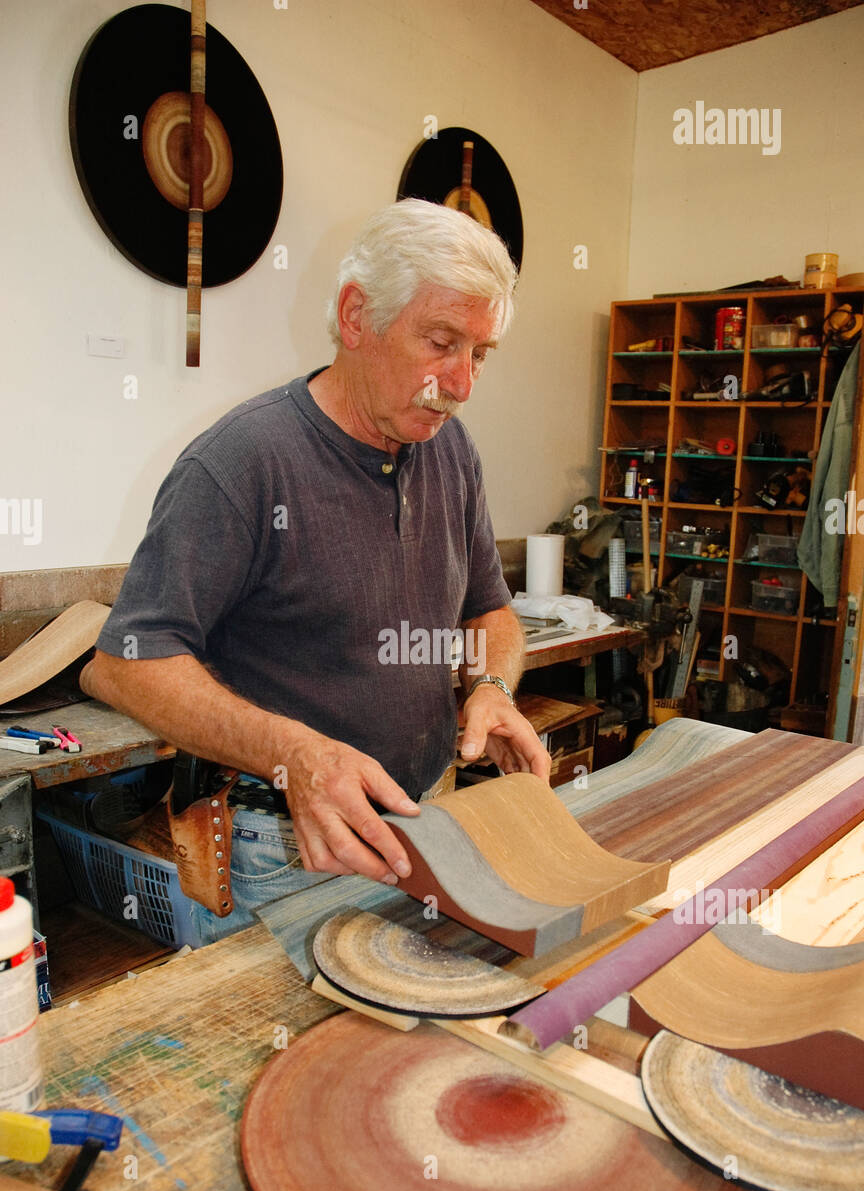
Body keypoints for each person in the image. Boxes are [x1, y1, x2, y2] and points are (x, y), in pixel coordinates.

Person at [82, 199, 550, 939]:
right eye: (441, 342)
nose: (462, 384)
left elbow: (487, 611)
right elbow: (124, 663)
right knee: (289, 1055)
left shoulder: (451, 452)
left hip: (431, 812)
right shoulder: (242, 462)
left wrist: (491, 687)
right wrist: (294, 754)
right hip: (286, 848)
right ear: (358, 316)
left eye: (480, 353)